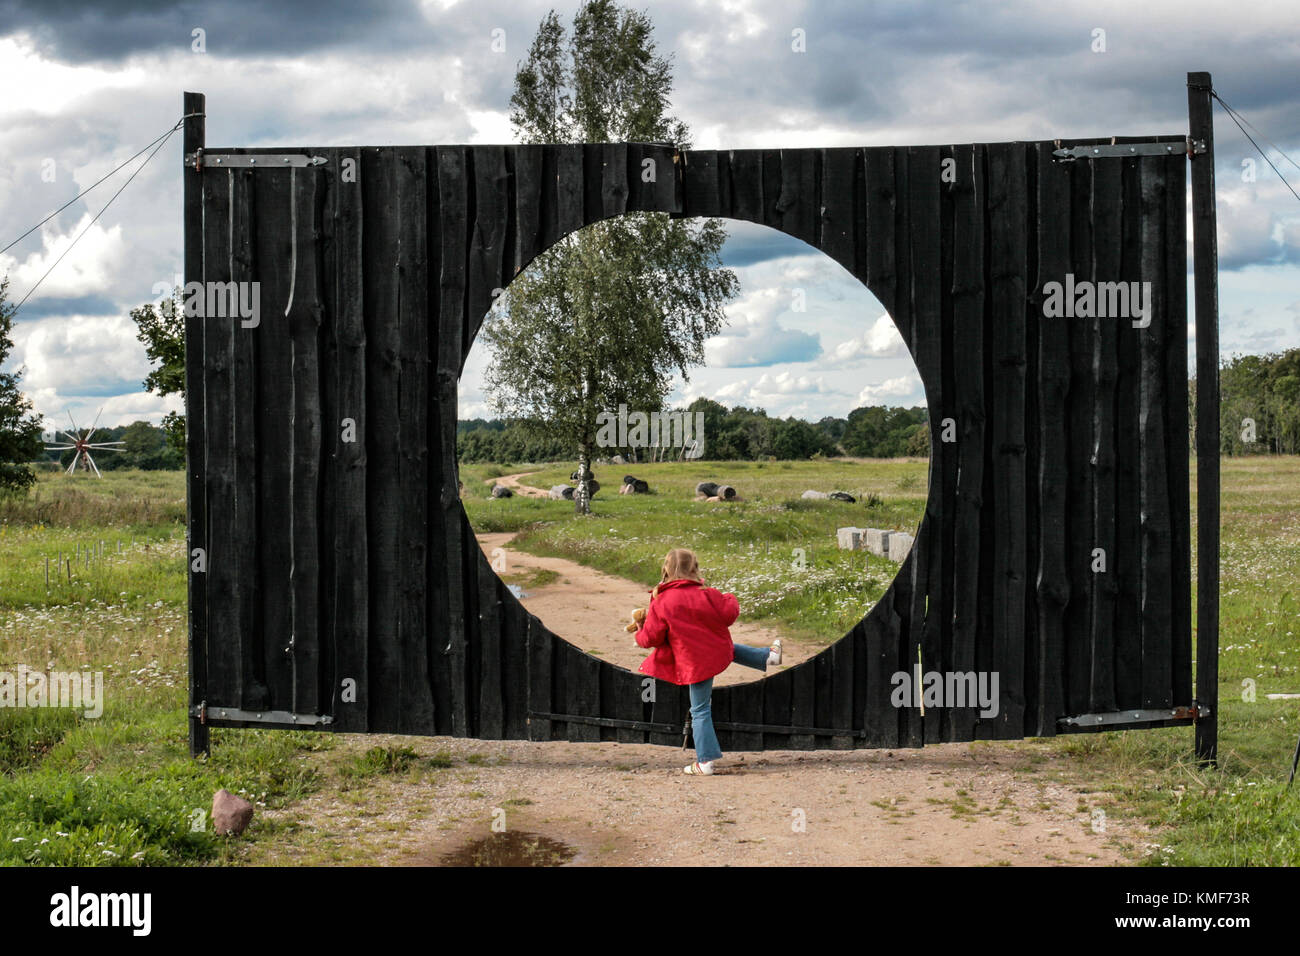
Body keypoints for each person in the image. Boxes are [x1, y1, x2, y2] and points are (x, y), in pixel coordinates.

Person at [633, 548, 782, 775]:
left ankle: (705, 762)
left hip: (693, 662)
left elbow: (652, 638)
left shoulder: (661, 600)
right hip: (712, 651)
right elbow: (729, 614)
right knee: (724, 649)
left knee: (700, 709)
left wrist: (639, 632)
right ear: (694, 568)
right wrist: (728, 597)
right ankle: (768, 657)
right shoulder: (706, 593)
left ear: (665, 569)